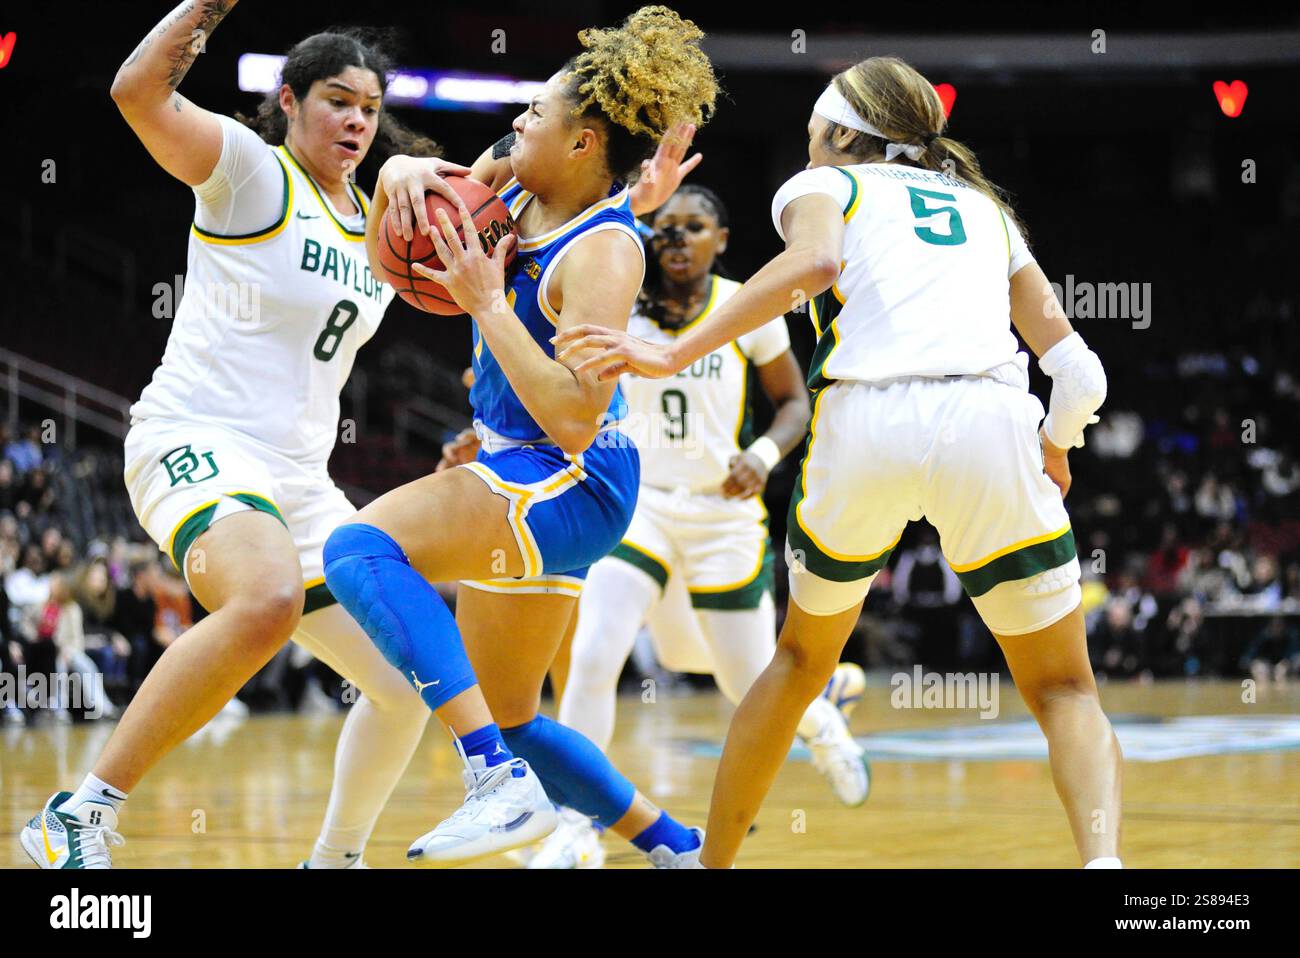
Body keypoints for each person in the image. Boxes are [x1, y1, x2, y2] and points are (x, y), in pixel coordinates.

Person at [557, 56, 1123, 868]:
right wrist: (1057, 446)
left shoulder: (824, 185)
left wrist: (670, 353)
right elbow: (1080, 374)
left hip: (867, 418)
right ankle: (1105, 867)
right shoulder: (988, 212)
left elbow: (816, 266)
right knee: (1066, 690)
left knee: (793, 665)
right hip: (991, 418)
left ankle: (709, 864)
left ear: (845, 133)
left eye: (815, 132)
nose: (808, 145)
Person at [21, 2, 467, 870]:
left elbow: (493, 188)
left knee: (405, 679)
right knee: (265, 600)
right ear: (289, 102)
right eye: (337, 100)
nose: (357, 120)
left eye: (371, 108)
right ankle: (78, 815)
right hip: (197, 439)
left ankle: (334, 859)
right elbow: (137, 93)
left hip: (300, 478)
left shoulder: (381, 222)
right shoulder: (253, 175)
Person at [323, 5, 720, 866]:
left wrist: (490, 306)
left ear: (582, 144)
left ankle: (493, 780)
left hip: (576, 475)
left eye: (534, 114)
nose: (515, 126)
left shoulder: (607, 251)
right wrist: (399, 178)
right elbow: (417, 201)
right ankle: (675, 847)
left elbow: (577, 416)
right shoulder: (515, 183)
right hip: (524, 466)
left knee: (357, 551)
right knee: (516, 713)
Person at [532, 185, 867, 868]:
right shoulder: (619, 305)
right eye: (666, 228)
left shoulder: (749, 308)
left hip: (723, 510)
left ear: (721, 240)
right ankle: (575, 826)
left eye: (695, 227)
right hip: (641, 504)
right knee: (594, 655)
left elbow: (793, 404)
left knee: (741, 681)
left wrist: (765, 454)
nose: (678, 238)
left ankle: (823, 721)